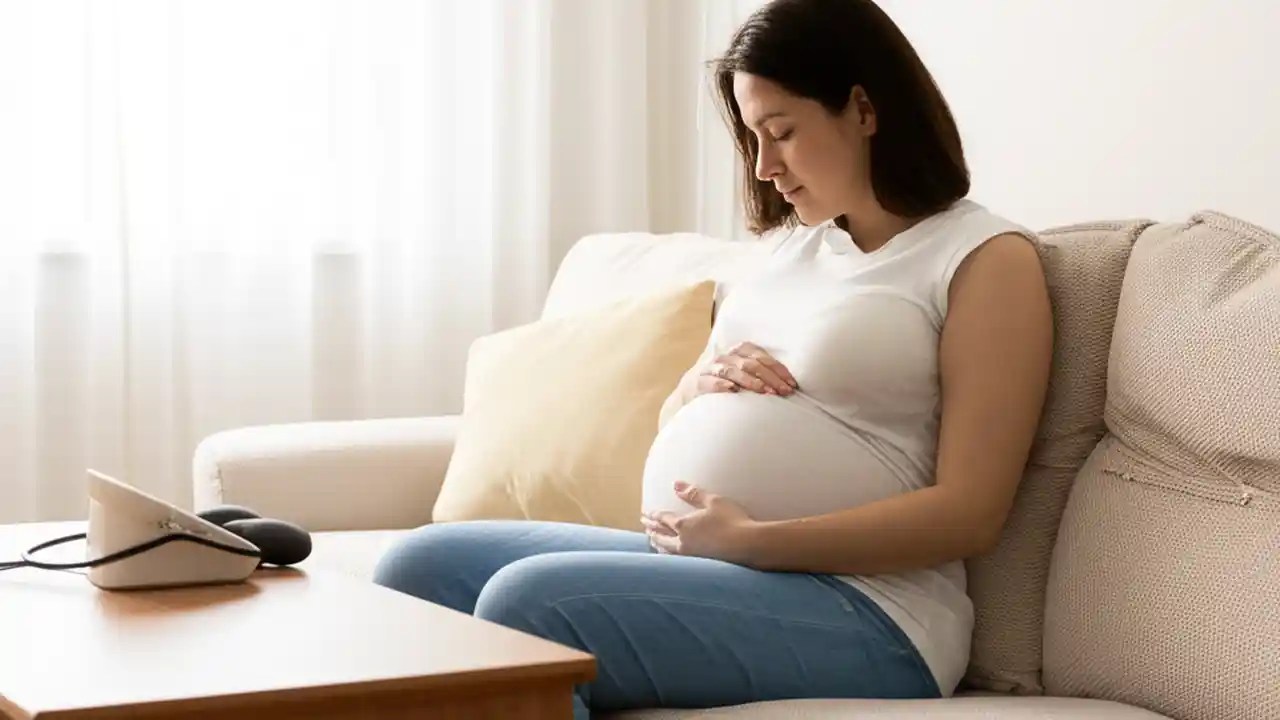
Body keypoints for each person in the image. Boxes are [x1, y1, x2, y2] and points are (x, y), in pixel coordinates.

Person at [372, 0, 1053, 716]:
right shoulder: (791, 250)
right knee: (420, 568)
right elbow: (675, 416)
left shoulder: (982, 259)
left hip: (869, 608)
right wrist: (699, 384)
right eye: (753, 138)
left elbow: (971, 513)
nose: (764, 167)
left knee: (533, 605)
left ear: (863, 109)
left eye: (781, 132)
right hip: (711, 562)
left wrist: (758, 542)